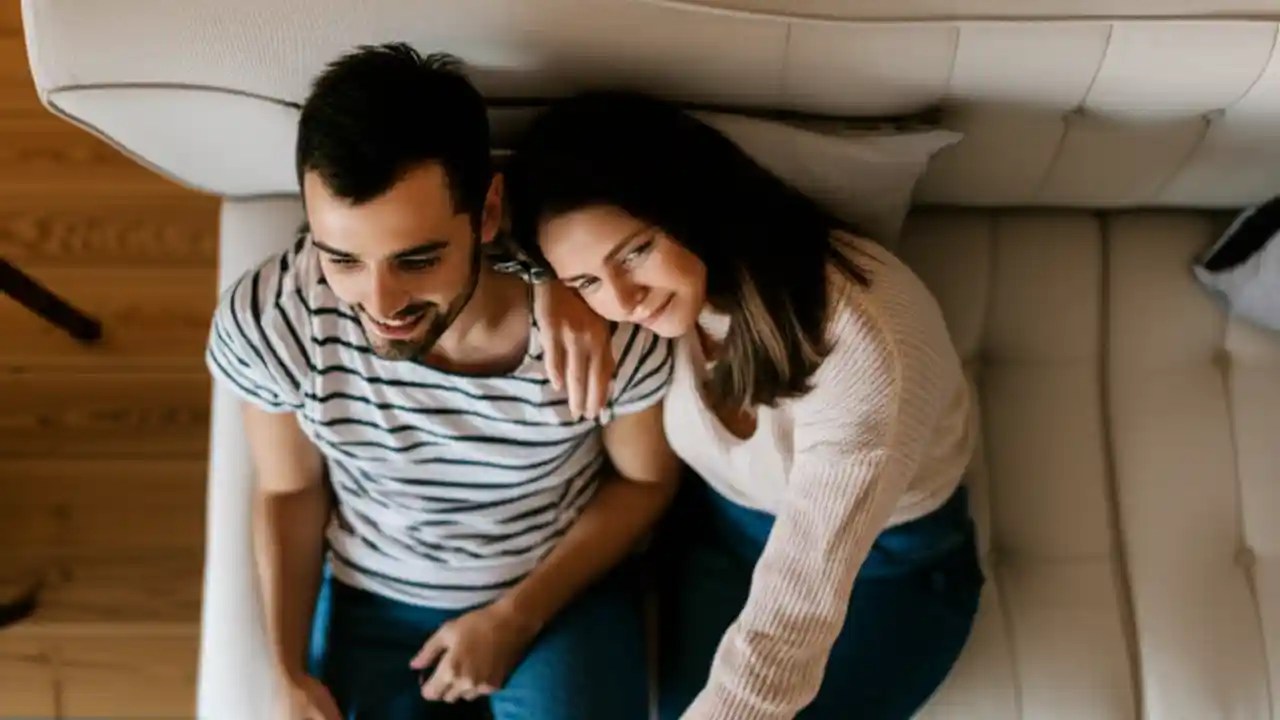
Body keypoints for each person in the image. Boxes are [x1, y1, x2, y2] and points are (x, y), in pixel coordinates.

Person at [204, 47, 677, 720]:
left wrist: (517, 616)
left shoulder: (600, 324)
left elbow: (645, 482)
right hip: (375, 593)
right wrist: (286, 673)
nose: (381, 303)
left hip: (559, 589)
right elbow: (289, 488)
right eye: (341, 257)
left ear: (486, 216)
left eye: (417, 259)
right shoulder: (274, 320)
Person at [504, 90, 986, 720]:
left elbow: (792, 620)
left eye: (634, 251)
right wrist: (548, 286)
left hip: (884, 571)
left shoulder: (864, 344)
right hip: (718, 534)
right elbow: (456, 222)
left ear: (689, 199)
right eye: (588, 280)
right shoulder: (658, 294)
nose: (624, 299)